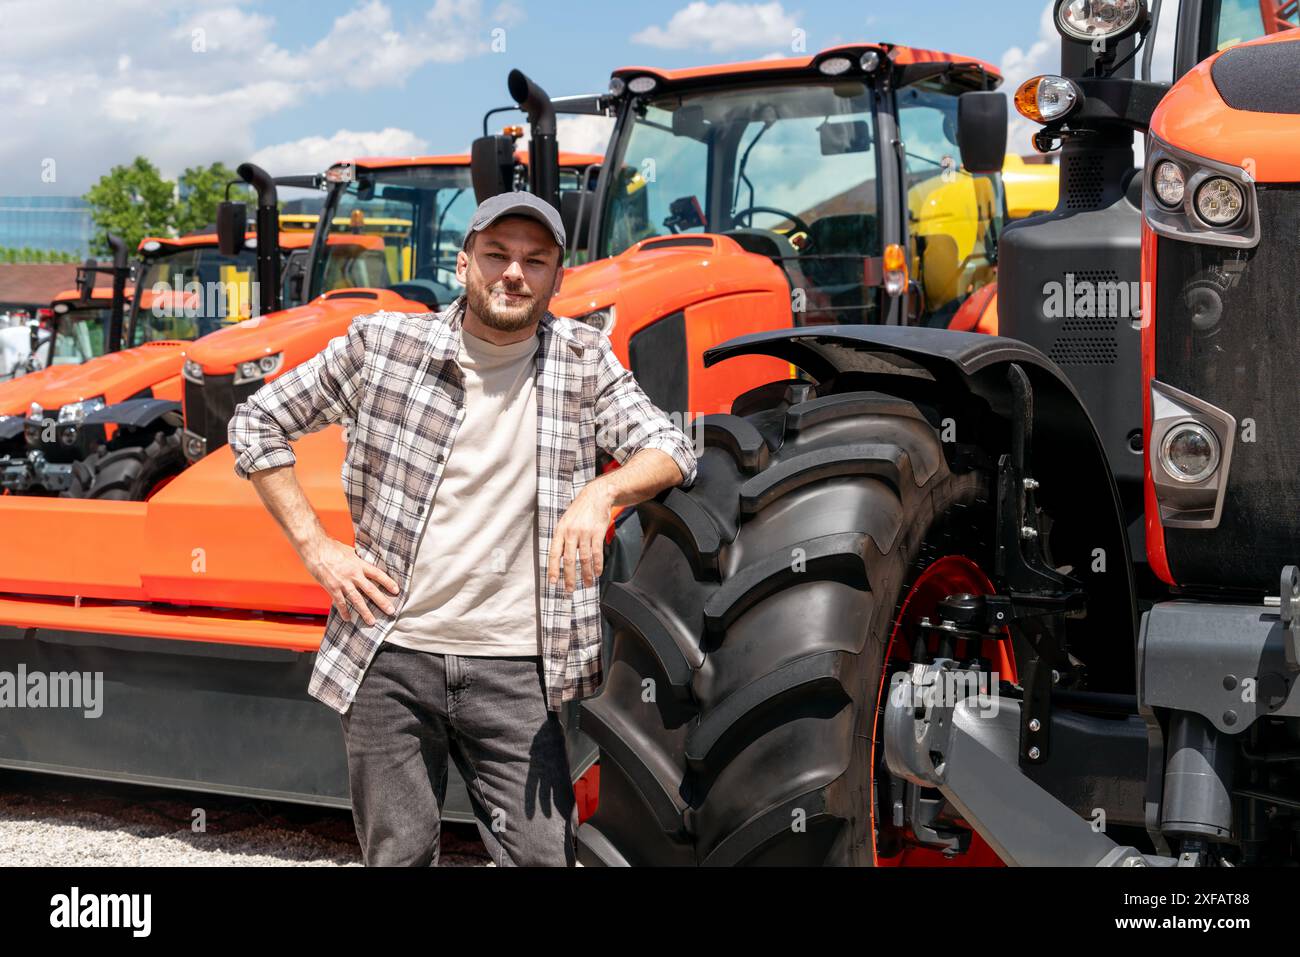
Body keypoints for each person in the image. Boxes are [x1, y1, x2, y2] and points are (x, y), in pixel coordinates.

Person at [227, 191, 698, 866]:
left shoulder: (583, 358)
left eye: (536, 260)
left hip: (517, 667)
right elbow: (255, 422)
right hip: (391, 656)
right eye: (497, 255)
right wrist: (318, 549)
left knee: (541, 856)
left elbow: (671, 444)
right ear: (462, 263)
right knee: (401, 855)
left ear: (557, 276)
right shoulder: (385, 347)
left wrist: (605, 488)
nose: (515, 273)